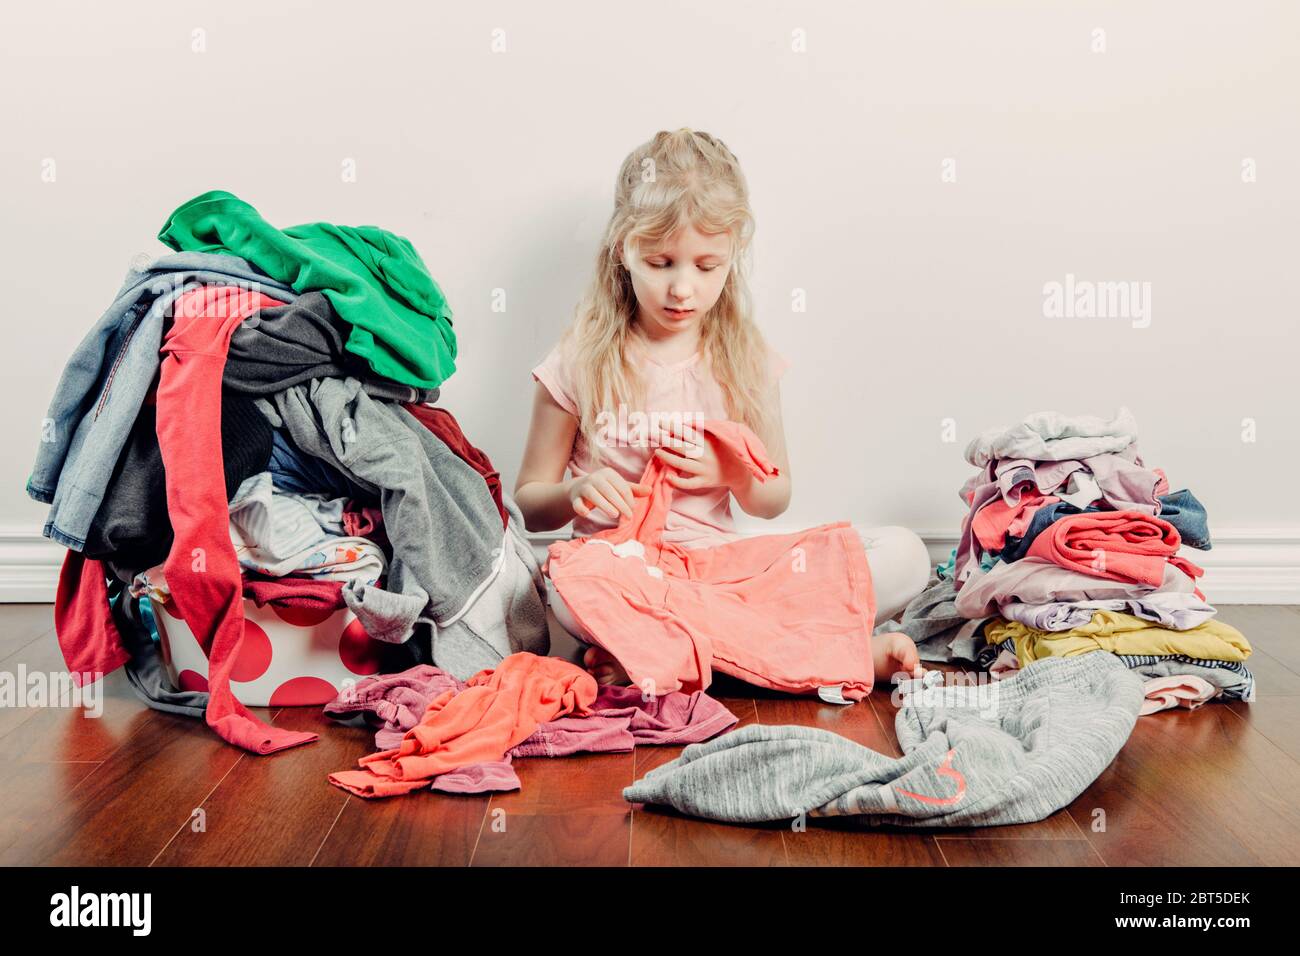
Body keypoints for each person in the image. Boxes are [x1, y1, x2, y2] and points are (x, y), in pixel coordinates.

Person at [515, 128, 930, 685]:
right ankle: (820, 653)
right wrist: (573, 492)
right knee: (567, 592)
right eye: (661, 262)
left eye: (706, 266)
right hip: (623, 574)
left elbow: (773, 497)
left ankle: (664, 653)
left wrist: (732, 471)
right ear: (623, 248)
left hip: (721, 568)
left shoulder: (746, 360)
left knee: (906, 554)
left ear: (733, 254)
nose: (682, 289)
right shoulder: (579, 361)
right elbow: (529, 504)